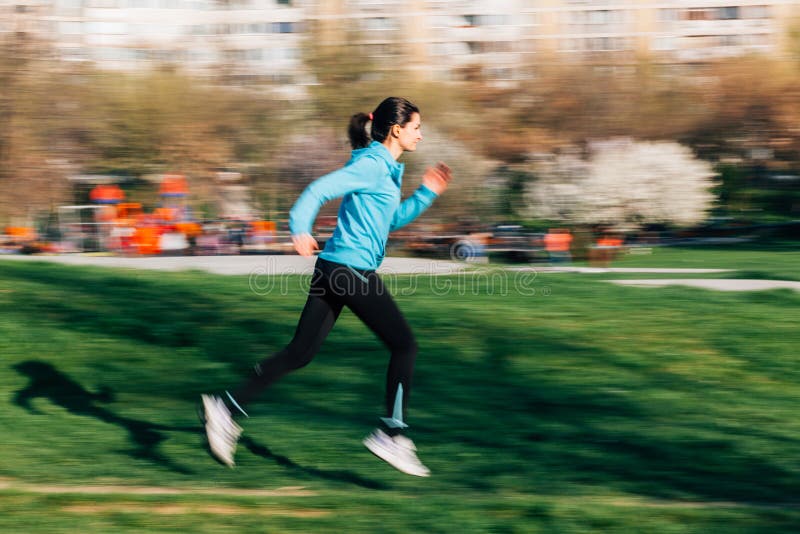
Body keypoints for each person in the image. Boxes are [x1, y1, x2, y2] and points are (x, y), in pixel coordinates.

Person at [201, 97, 452, 477]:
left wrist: (426, 193)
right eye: (417, 127)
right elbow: (319, 189)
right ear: (397, 130)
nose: (421, 133)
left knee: (301, 352)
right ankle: (392, 433)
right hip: (349, 270)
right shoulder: (371, 166)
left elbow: (389, 221)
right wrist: (299, 228)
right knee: (405, 345)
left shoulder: (382, 169)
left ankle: (226, 407)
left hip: (335, 267)